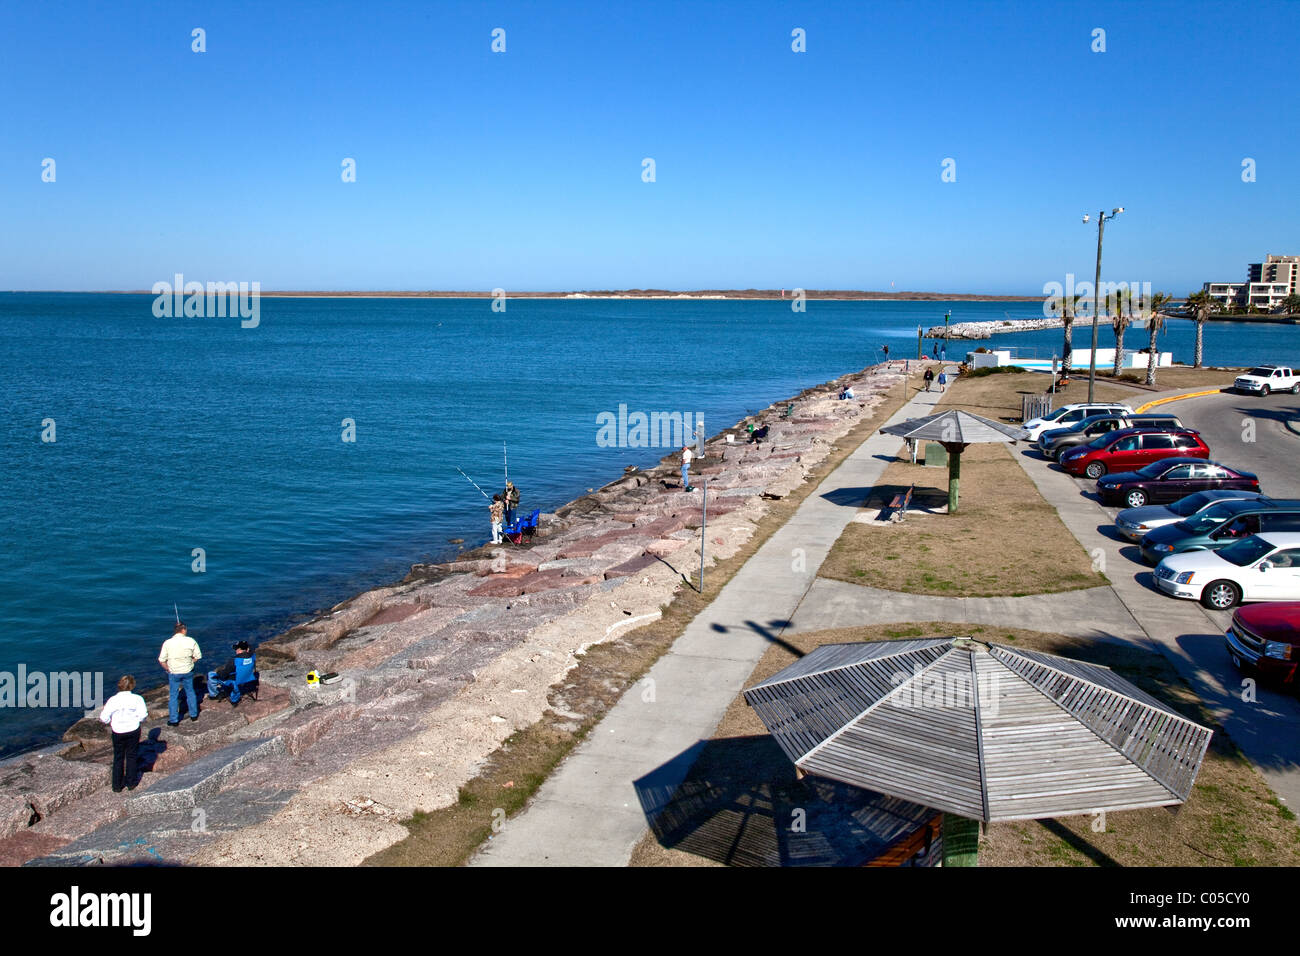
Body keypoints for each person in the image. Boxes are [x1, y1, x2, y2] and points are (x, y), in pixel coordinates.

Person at [100, 675, 149, 792]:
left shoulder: (112, 700)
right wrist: (135, 719)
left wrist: (111, 721)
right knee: (131, 756)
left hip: (118, 731)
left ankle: (117, 785)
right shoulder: (137, 699)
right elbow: (143, 716)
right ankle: (131, 783)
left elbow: (103, 718)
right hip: (133, 729)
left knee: (118, 757)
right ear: (132, 685)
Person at [159, 623, 202, 725]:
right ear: (183, 630)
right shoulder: (190, 641)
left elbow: (161, 660)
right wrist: (191, 662)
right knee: (190, 692)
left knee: (173, 695)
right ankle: (194, 715)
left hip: (174, 672)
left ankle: (174, 720)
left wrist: (168, 669)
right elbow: (198, 656)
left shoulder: (167, 643)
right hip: (187, 671)